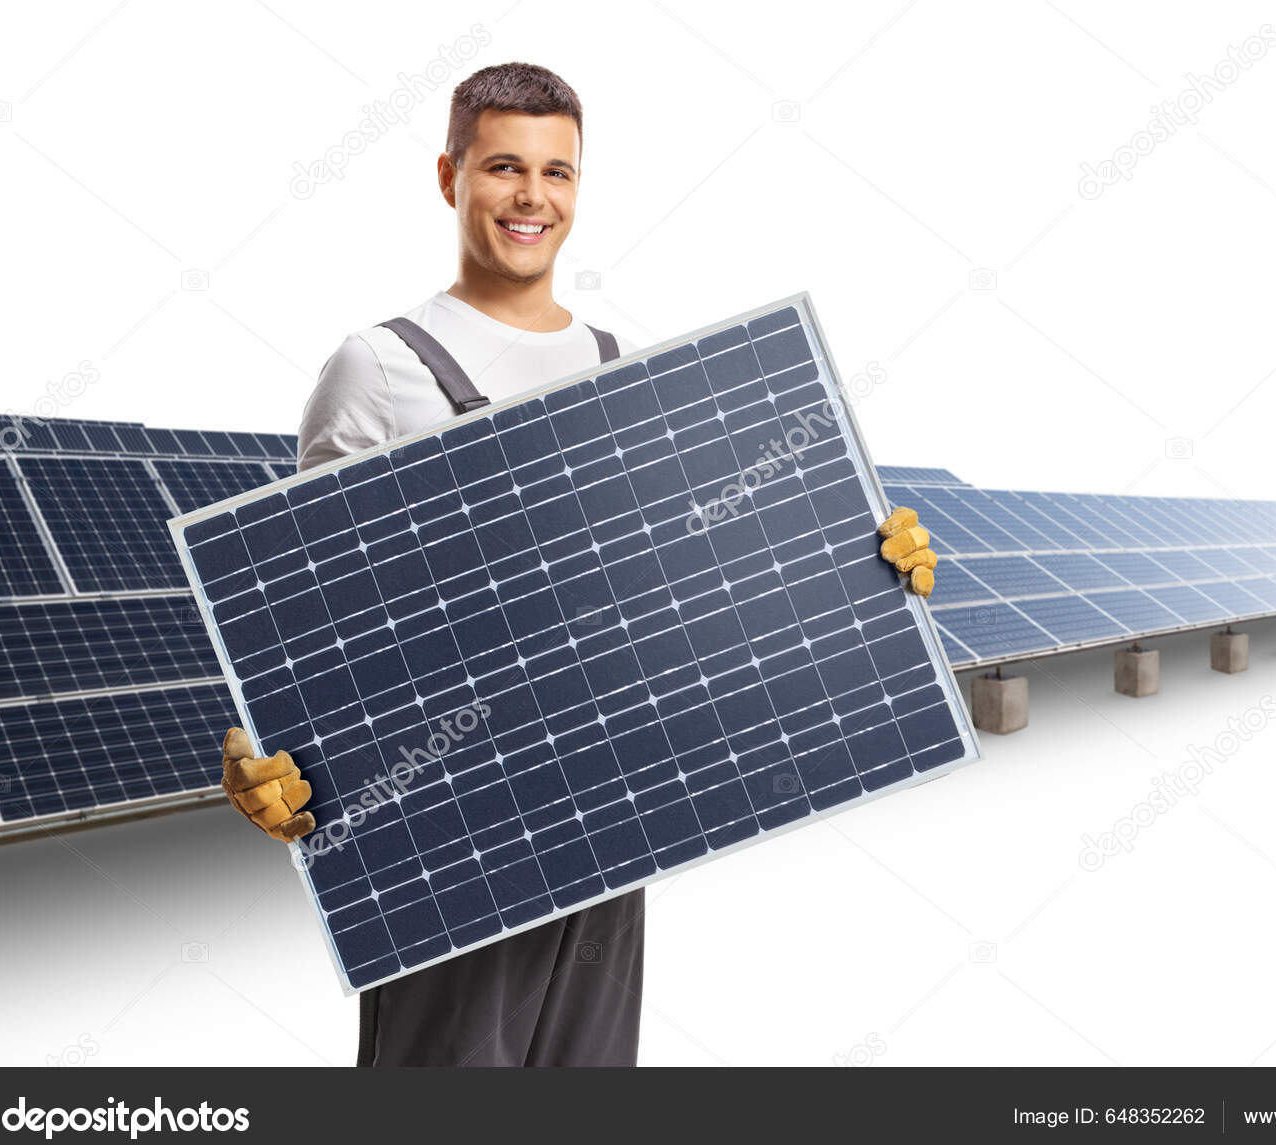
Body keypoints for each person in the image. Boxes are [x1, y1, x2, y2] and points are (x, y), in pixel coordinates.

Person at [218, 61, 936, 1068]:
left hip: (605, 831)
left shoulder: (622, 369)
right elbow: (300, 617)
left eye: (556, 172)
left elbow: (686, 588)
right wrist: (256, 754)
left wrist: (861, 566)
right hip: (446, 845)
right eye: (504, 167)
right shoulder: (377, 369)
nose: (532, 197)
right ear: (449, 177)